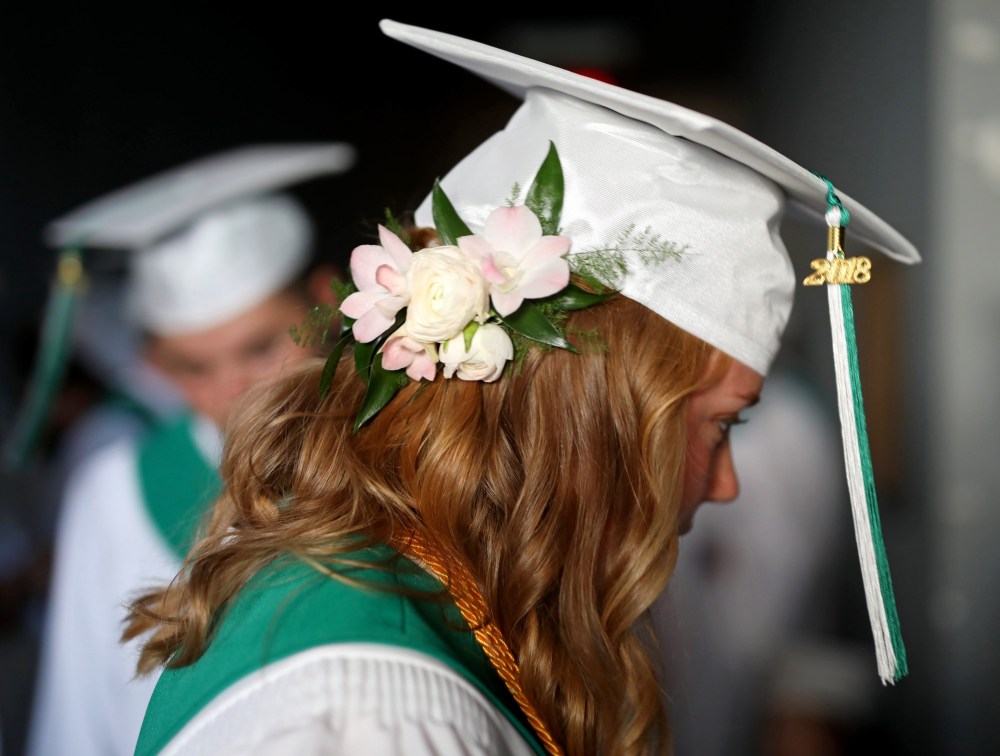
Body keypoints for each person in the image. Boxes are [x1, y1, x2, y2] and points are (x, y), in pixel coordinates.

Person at [124, 21, 920, 756]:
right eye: (719, 425)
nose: (725, 482)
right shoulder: (372, 717)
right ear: (593, 409)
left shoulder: (419, 595)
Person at [24, 143, 356, 756]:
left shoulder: (397, 447)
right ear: (154, 361)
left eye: (258, 348)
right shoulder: (117, 488)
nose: (231, 389)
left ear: (326, 300)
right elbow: (79, 707)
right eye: (192, 365)